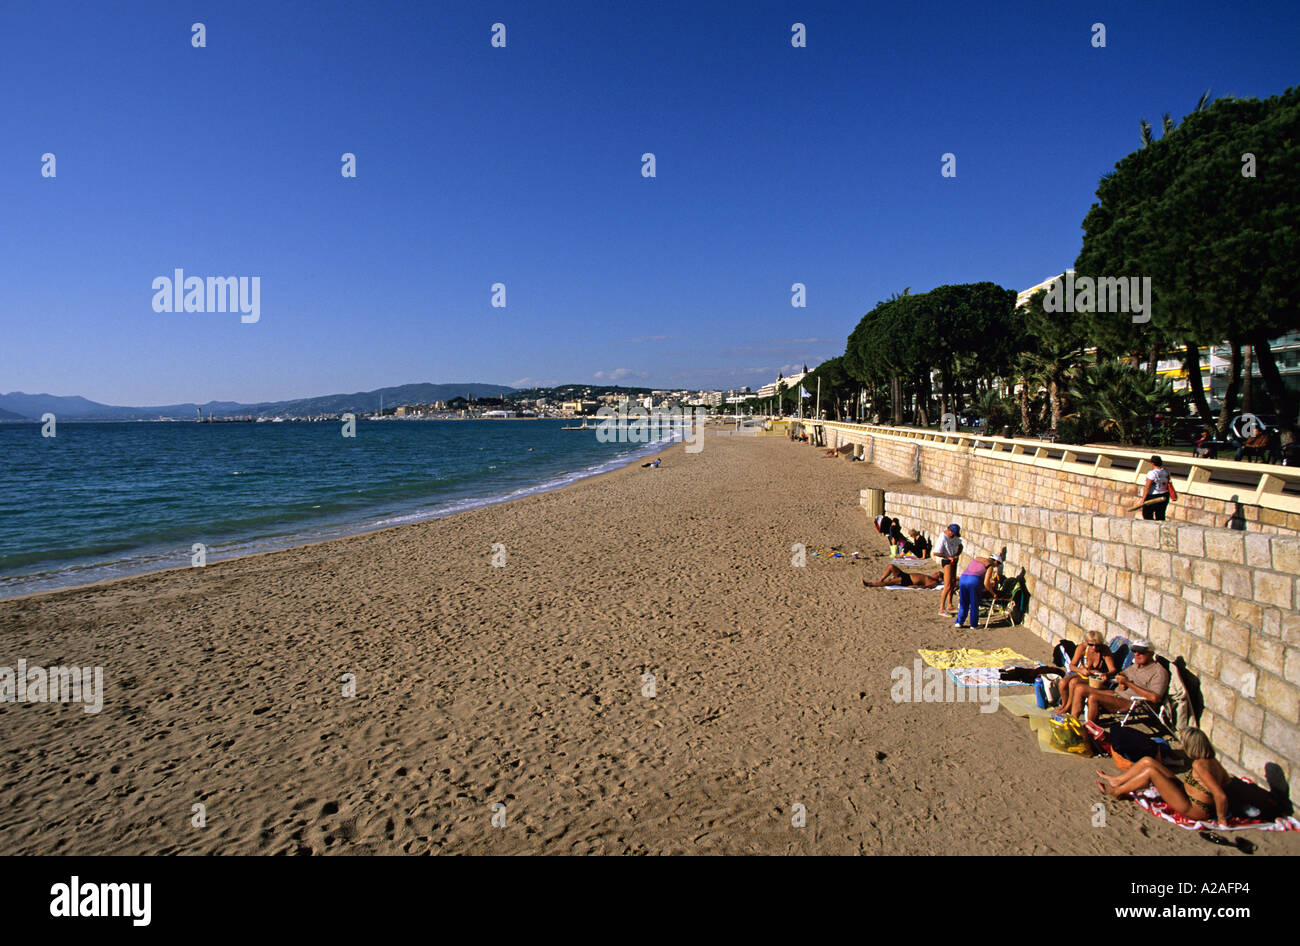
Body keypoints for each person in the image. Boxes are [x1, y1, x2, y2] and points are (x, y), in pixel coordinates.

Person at [1097, 728, 1231, 826]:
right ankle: (1118, 781)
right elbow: (1226, 782)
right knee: (1148, 761)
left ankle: (1118, 792)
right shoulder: (1212, 760)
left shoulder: (1200, 765)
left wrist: (1221, 818)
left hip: (1192, 808)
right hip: (1187, 794)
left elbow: (1221, 795)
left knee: (1151, 772)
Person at [1079, 639, 1169, 724]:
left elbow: (1155, 698)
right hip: (1118, 694)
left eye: (1141, 652)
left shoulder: (1159, 672)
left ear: (1151, 653)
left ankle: (1090, 729)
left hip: (1135, 703)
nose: (1136, 654)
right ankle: (1071, 720)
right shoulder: (1137, 665)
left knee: (1093, 697)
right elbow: (1122, 673)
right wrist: (1121, 679)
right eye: (1134, 651)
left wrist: (1128, 683)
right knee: (1081, 688)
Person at [1055, 631, 1117, 718]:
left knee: (1074, 682)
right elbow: (1072, 665)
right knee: (1062, 683)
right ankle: (1064, 705)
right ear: (1087, 642)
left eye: (1097, 645)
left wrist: (1106, 674)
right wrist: (1080, 670)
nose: (1094, 648)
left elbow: (1113, 669)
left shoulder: (1104, 650)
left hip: (1094, 678)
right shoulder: (1082, 648)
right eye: (1091, 644)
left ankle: (1068, 707)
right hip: (1082, 673)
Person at [955, 552, 1001, 629]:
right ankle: (973, 624)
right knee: (974, 604)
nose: (997, 566)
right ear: (996, 561)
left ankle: (959, 622)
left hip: (963, 578)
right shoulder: (989, 566)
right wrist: (993, 593)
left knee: (963, 602)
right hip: (974, 581)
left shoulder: (977, 558)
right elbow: (986, 583)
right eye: (998, 564)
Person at [933, 524, 963, 616]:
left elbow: (960, 546)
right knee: (948, 584)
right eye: (952, 534)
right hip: (947, 561)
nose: (953, 536)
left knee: (953, 582)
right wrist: (948, 557)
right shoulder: (943, 538)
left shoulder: (955, 537)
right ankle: (941, 608)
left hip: (953, 559)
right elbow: (936, 552)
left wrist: (957, 554)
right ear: (949, 531)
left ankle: (949, 604)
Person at [1137, 455, 1176, 521]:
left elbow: (1147, 487)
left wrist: (1143, 499)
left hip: (1153, 497)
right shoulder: (1166, 471)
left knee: (1147, 515)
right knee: (1160, 515)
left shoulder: (1152, 473)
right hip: (1164, 496)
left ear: (1152, 463)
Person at [863, 565, 944, 588]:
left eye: (937, 574)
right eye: (936, 572)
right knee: (891, 566)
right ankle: (881, 579)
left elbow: (925, 586)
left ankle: (870, 584)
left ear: (939, 579)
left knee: (889, 582)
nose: (935, 573)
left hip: (907, 581)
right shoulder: (930, 577)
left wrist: (913, 586)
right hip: (906, 575)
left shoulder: (933, 582)